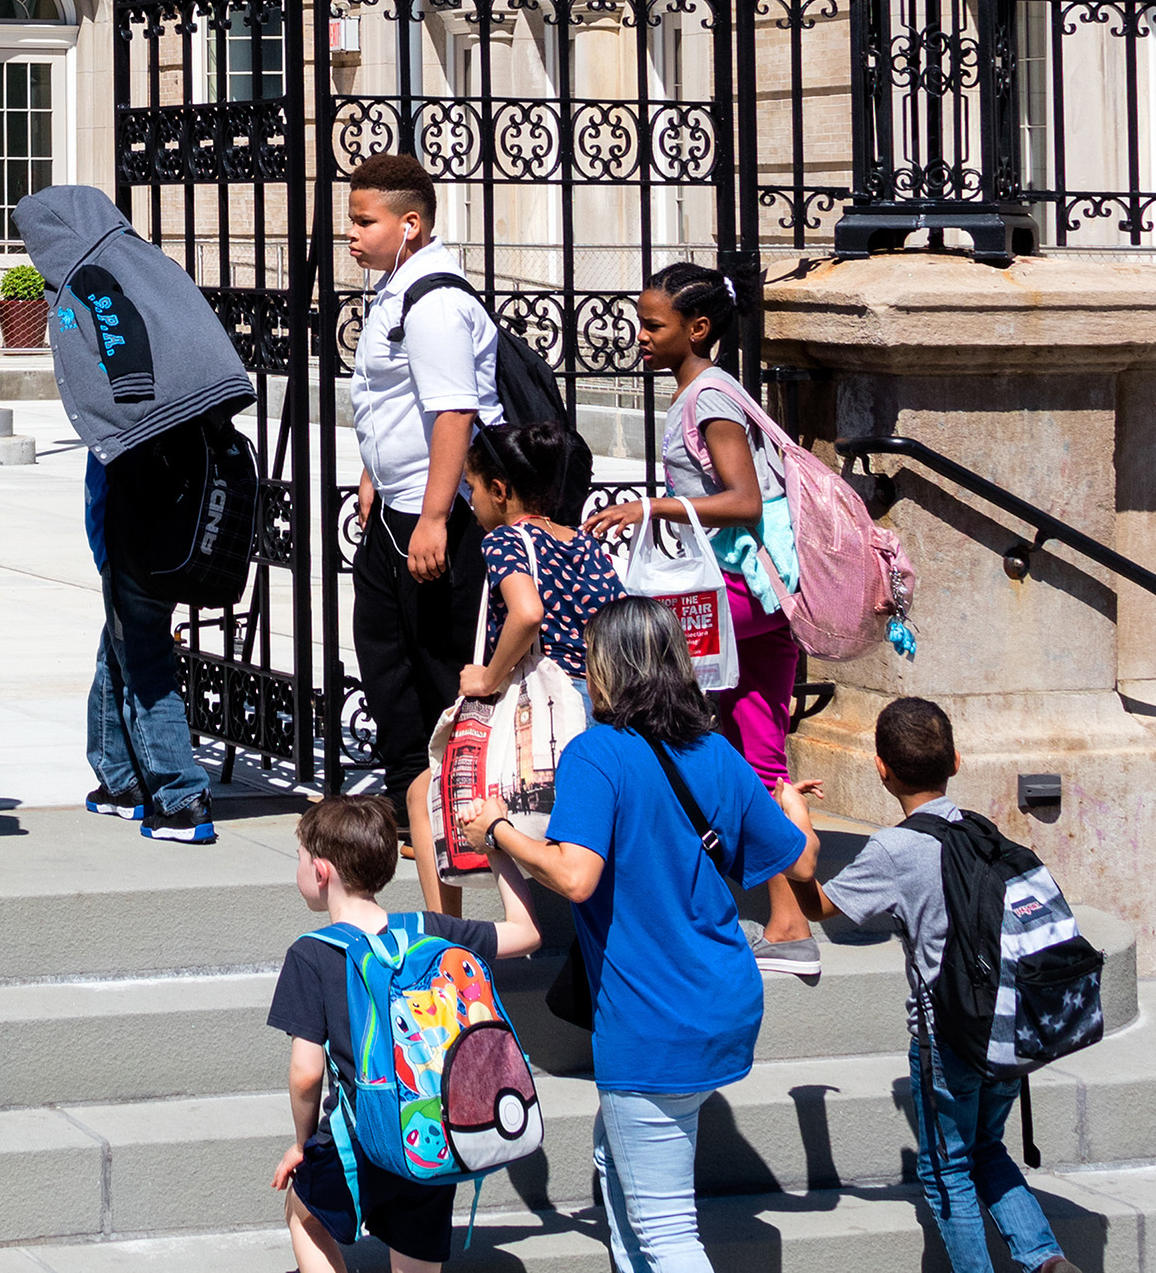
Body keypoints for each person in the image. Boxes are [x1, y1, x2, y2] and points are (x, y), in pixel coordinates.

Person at [484, 597, 809, 1273]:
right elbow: (788, 853)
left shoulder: (599, 754)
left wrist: (502, 834)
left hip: (652, 1020)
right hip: (721, 1006)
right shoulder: (718, 754)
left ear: (607, 671)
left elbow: (578, 875)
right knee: (617, 1150)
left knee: (670, 1225)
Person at [798, 695, 1100, 1273]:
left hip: (948, 1042)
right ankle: (1046, 1268)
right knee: (987, 1149)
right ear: (956, 761)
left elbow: (823, 907)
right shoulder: (981, 831)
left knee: (946, 1169)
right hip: (1013, 1033)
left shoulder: (897, 850)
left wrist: (799, 828)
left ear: (879, 770)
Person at [268, 781, 510, 1273]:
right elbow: (528, 935)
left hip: (357, 1141)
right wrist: (499, 848)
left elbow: (308, 1073)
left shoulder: (313, 954)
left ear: (322, 872)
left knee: (304, 1207)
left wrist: (299, 1139)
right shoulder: (433, 931)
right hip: (427, 1142)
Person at [11, 180, 252, 851]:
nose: (37, 260)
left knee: (141, 644)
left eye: (36, 244)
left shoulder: (90, 282)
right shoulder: (152, 265)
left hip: (143, 487)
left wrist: (120, 427)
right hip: (192, 476)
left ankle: (178, 796)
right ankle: (117, 777)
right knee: (126, 627)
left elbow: (121, 376)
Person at [343, 155, 502, 905]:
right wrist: (375, 473)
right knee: (385, 659)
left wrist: (435, 516)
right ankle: (412, 810)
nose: (351, 234)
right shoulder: (392, 292)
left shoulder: (434, 301)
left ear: (410, 224)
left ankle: (457, 827)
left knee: (439, 671)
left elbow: (453, 413)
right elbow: (392, 403)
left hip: (434, 514)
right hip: (394, 505)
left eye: (364, 220)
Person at [627, 267, 810, 812]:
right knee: (763, 761)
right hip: (761, 594)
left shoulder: (708, 398)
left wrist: (651, 508)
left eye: (653, 325)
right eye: (640, 322)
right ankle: (787, 890)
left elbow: (744, 500)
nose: (640, 335)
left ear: (698, 328)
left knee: (635, 658)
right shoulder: (711, 389)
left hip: (741, 586)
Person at [454, 442, 622, 966]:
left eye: (473, 487)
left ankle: (480, 936)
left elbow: (527, 614)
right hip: (597, 705)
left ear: (499, 492)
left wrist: (487, 677)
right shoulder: (585, 544)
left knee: (434, 790)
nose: (471, 500)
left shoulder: (506, 539)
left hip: (545, 712)